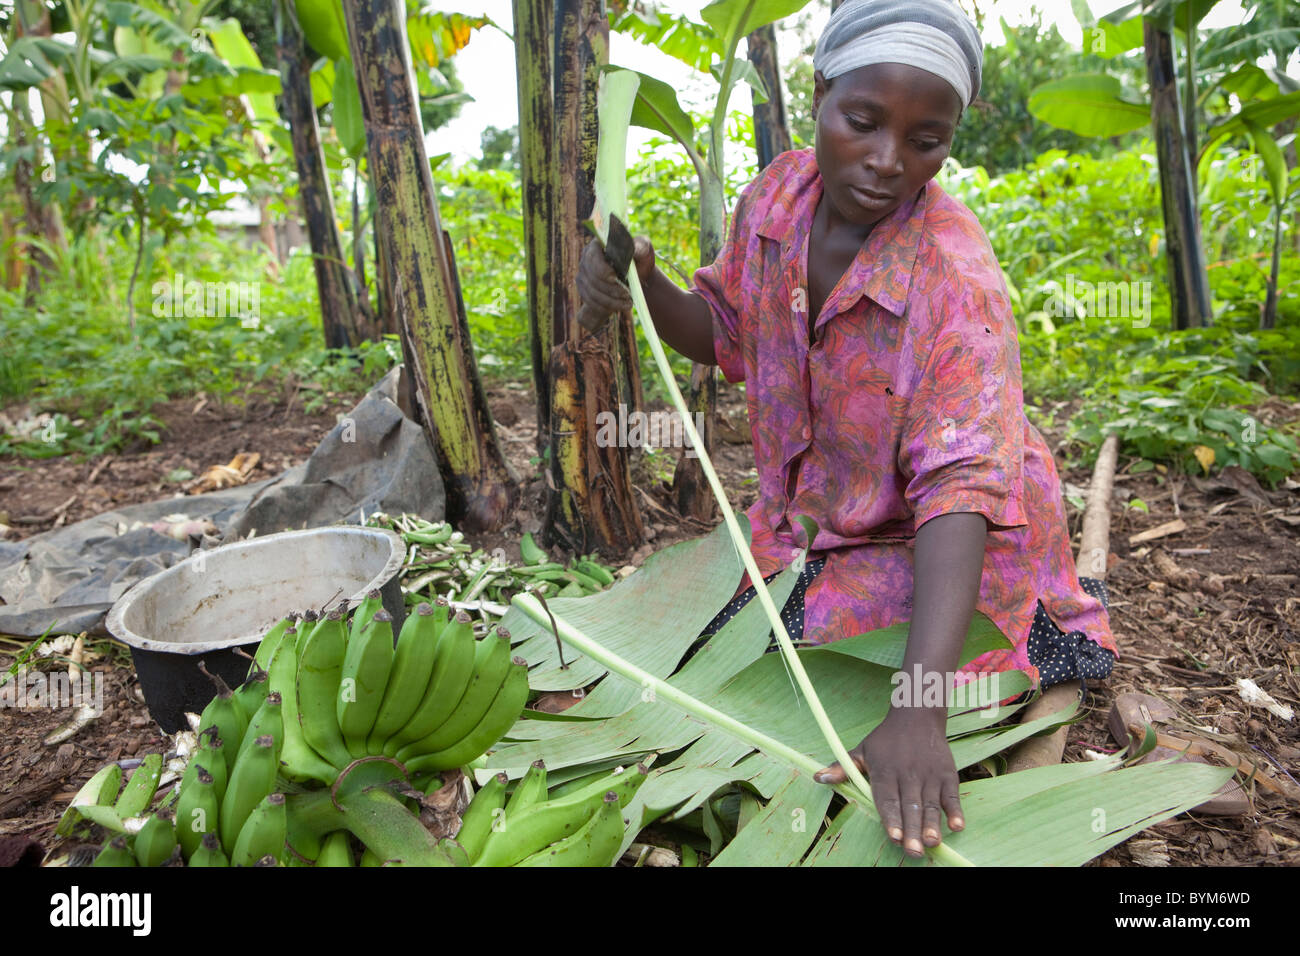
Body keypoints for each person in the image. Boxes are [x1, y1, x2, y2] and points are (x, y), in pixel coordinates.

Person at [576, 0, 1117, 859]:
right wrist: (641, 275)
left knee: (821, 673)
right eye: (862, 122)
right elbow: (722, 330)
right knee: (712, 647)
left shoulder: (954, 280)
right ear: (820, 91)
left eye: (925, 140)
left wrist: (918, 706)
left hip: (945, 544)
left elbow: (960, 495)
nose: (886, 161)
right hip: (816, 524)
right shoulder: (778, 197)